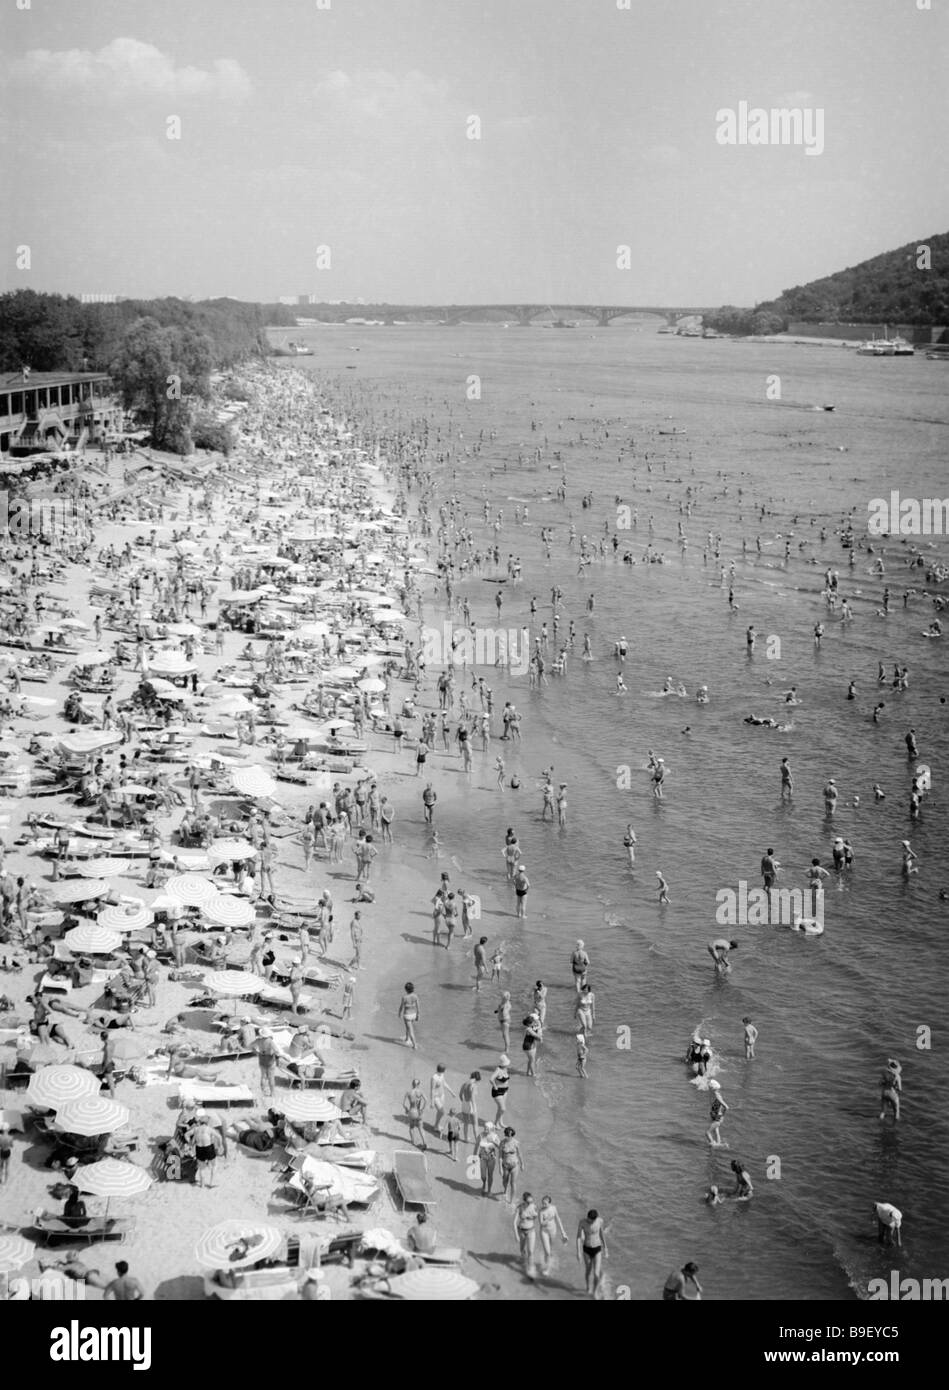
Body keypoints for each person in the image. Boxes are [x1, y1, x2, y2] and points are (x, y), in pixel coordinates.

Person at [576, 1210, 609, 1299]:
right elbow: (578, 1237)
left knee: (596, 1273)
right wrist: (578, 1252)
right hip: (586, 1249)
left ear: (595, 1219)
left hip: (597, 1249)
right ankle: (588, 1286)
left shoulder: (599, 1221)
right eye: (589, 1220)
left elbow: (602, 1233)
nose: (590, 1222)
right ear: (587, 1217)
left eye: (592, 1221)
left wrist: (605, 1247)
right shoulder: (582, 1222)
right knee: (588, 1270)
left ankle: (594, 1292)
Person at [538, 1195, 569, 1274]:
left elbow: (558, 1219)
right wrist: (548, 1219)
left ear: (550, 1203)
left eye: (545, 1204)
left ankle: (546, 1264)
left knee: (549, 1251)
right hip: (544, 1232)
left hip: (553, 1231)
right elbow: (541, 1223)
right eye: (542, 1203)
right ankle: (547, 1269)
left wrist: (563, 1233)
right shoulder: (541, 1211)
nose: (543, 1205)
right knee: (547, 1252)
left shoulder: (554, 1208)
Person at [513, 1191, 539, 1279]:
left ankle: (531, 1270)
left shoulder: (534, 1206)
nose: (530, 1203)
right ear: (524, 1201)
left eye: (531, 1201)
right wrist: (516, 1235)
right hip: (521, 1231)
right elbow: (514, 1222)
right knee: (522, 1250)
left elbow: (536, 1216)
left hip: (531, 1230)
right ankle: (524, 1261)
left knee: (531, 1251)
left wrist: (530, 1216)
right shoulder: (519, 1207)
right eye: (528, 1202)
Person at [499, 1126, 523, 1202]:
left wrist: (522, 1164)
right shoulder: (502, 1143)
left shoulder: (516, 1143)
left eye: (510, 1135)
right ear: (505, 1135)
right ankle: (505, 1190)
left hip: (514, 1165)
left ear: (512, 1135)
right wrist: (500, 1168)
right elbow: (500, 1156)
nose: (508, 1137)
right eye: (507, 1135)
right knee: (504, 1181)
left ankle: (511, 1200)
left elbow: (519, 1154)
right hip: (505, 1165)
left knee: (513, 1183)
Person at [476, 1121, 499, 1195]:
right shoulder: (480, 1135)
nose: (485, 1128)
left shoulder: (495, 1136)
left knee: (490, 1175)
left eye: (487, 1128)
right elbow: (476, 1146)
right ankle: (484, 1183)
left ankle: (489, 1190)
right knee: (483, 1175)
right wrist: (473, 1157)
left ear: (491, 1128)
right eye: (484, 1127)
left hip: (491, 1158)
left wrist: (493, 1142)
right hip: (482, 1157)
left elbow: (499, 1147)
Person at [403, 1079, 427, 1149]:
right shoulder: (421, 1092)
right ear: (418, 1084)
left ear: (412, 1084)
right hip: (419, 1112)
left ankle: (413, 1142)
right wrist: (422, 1109)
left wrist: (406, 1109)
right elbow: (426, 1100)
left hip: (412, 1111)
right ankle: (424, 1143)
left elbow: (404, 1104)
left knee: (411, 1127)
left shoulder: (408, 1092)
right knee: (421, 1128)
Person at [706, 1080, 728, 1147]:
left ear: (712, 1087)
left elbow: (726, 1107)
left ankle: (714, 1145)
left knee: (707, 1133)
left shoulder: (716, 1095)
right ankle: (719, 1145)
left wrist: (721, 1117)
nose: (708, 1087)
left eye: (709, 1086)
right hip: (715, 1116)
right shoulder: (713, 1094)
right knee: (716, 1132)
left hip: (717, 1118)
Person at [879, 1058, 902, 1122]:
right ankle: (895, 1126)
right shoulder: (897, 1076)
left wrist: (885, 1083)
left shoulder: (884, 1073)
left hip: (884, 1093)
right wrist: (895, 1087)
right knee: (896, 1112)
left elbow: (879, 1083)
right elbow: (900, 1089)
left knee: (883, 1112)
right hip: (893, 1094)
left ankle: (879, 1123)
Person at [398, 981, 420, 1048]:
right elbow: (418, 1006)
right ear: (413, 989)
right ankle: (407, 1038)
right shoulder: (415, 996)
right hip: (414, 1014)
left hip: (407, 1015)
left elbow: (401, 1007)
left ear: (406, 989)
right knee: (409, 1027)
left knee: (411, 1031)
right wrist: (418, 1015)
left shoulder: (404, 997)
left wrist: (399, 1013)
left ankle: (414, 1045)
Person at [490, 1056, 510, 1123]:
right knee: (503, 1109)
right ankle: (496, 1123)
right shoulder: (498, 1070)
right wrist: (495, 1086)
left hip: (505, 1091)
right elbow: (491, 1079)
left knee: (500, 1109)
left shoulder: (506, 1069)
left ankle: (500, 1122)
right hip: (497, 1092)